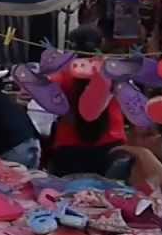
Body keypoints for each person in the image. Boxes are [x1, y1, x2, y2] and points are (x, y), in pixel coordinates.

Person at [48, 26, 126, 175]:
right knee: (111, 196)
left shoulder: (61, 74)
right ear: (102, 43)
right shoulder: (115, 71)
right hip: (112, 146)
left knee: (68, 196)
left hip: (69, 149)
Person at [107, 124, 162, 195]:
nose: (138, 140)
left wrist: (143, 153)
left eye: (148, 135)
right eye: (133, 134)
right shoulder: (122, 166)